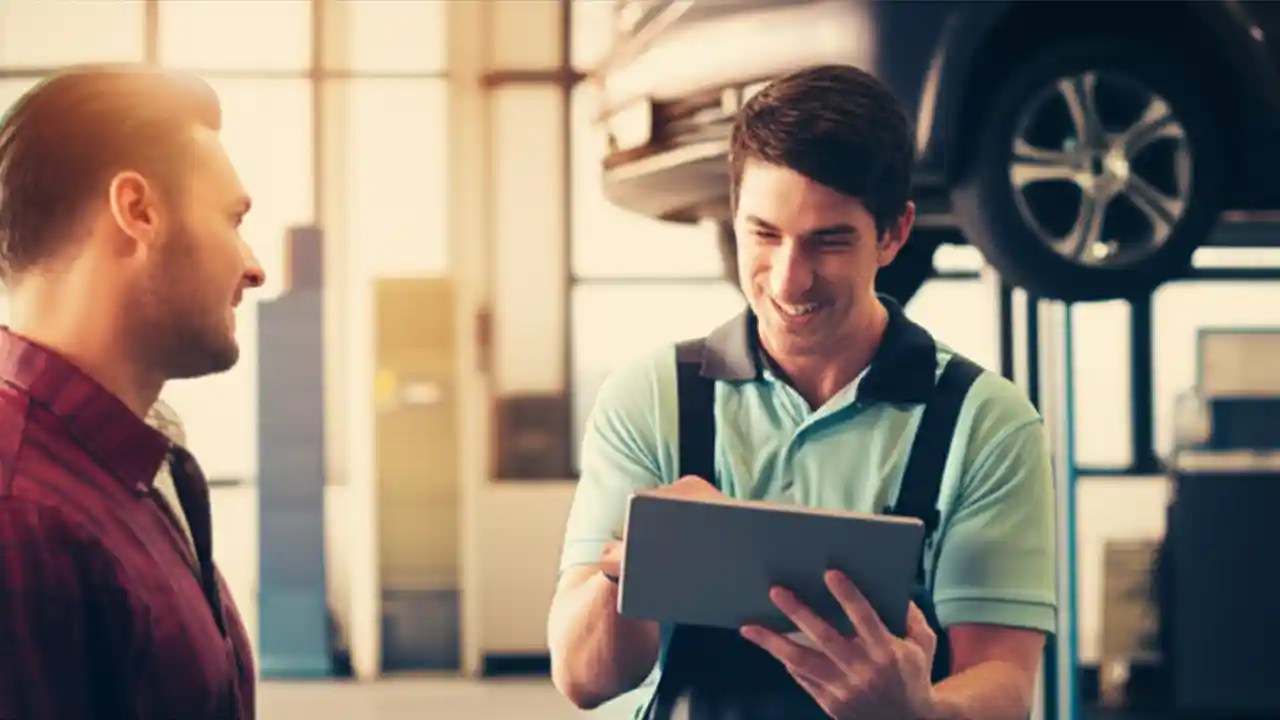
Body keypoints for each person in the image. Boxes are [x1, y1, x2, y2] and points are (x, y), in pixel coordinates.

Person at [548, 64, 1056, 719]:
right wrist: (633, 562)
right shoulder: (652, 398)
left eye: (829, 241)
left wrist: (918, 713)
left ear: (895, 233)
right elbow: (584, 681)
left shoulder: (985, 424)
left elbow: (1005, 684)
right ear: (732, 220)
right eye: (764, 235)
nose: (790, 280)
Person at [0, 65, 265, 719]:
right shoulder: (20, 512)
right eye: (233, 220)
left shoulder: (143, 467)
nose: (252, 267)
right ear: (137, 210)